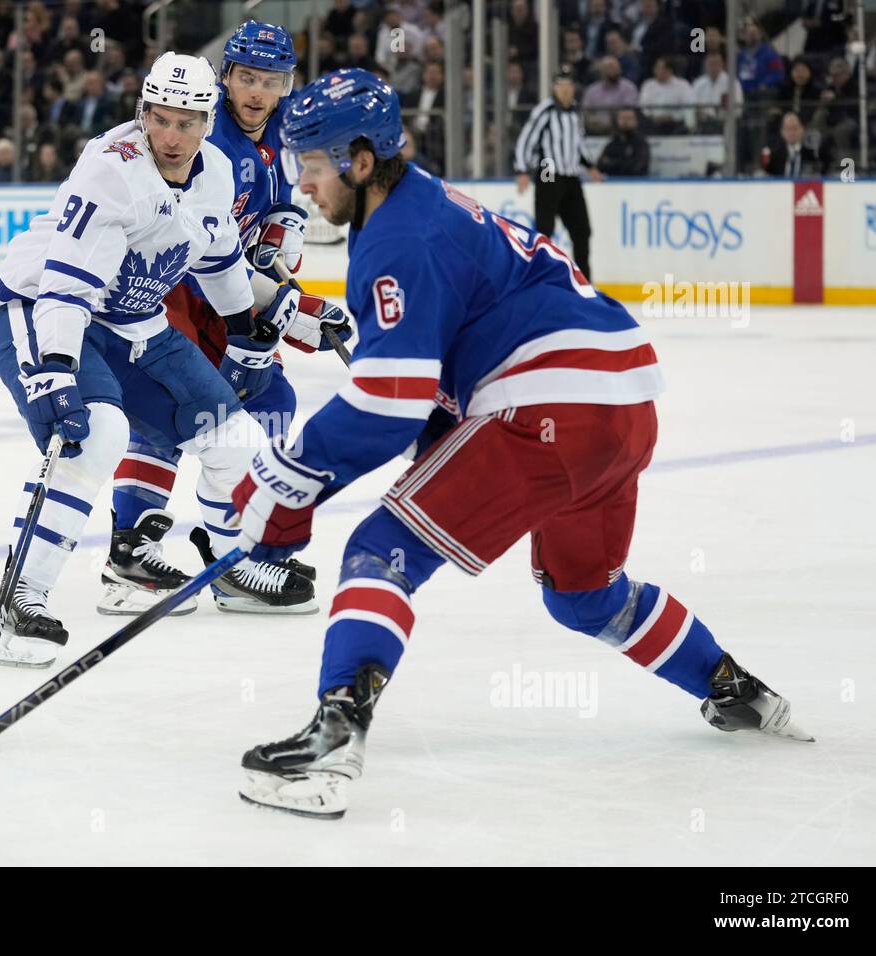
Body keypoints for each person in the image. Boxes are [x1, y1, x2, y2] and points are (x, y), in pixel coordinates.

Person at [227, 69, 812, 819]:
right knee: (585, 594)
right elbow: (434, 392)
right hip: (624, 404)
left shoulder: (397, 240)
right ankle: (734, 689)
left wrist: (287, 474)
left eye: (310, 165)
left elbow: (389, 402)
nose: (301, 184)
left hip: (550, 403)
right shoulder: (424, 206)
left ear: (360, 161)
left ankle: (335, 737)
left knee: (379, 551)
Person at [0, 53, 322, 669]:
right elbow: (64, 283)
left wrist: (252, 326)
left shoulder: (215, 172)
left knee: (233, 437)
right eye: (159, 120)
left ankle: (234, 568)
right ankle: (22, 596)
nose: (171, 136)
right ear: (142, 113)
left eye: (188, 123)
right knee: (99, 433)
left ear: (206, 122)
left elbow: (220, 269)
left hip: (135, 321)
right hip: (45, 311)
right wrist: (56, 368)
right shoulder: (112, 170)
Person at [98, 21, 351, 619]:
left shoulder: (272, 143)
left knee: (269, 403)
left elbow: (258, 235)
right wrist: (288, 309)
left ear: (286, 85)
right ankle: (129, 557)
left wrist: (282, 247)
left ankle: (235, 555)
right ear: (225, 78)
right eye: (246, 78)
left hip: (222, 300)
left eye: (270, 80)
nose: (257, 92)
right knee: (172, 418)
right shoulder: (210, 143)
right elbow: (204, 253)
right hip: (174, 296)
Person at [514, 66, 602, 280]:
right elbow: (527, 139)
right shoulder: (545, 110)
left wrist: (590, 166)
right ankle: (542, 278)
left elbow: (578, 142)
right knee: (545, 229)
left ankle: (584, 281)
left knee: (582, 230)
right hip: (548, 170)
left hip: (571, 174)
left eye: (568, 85)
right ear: (554, 88)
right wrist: (522, 169)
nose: (565, 90)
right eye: (561, 85)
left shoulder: (575, 112)